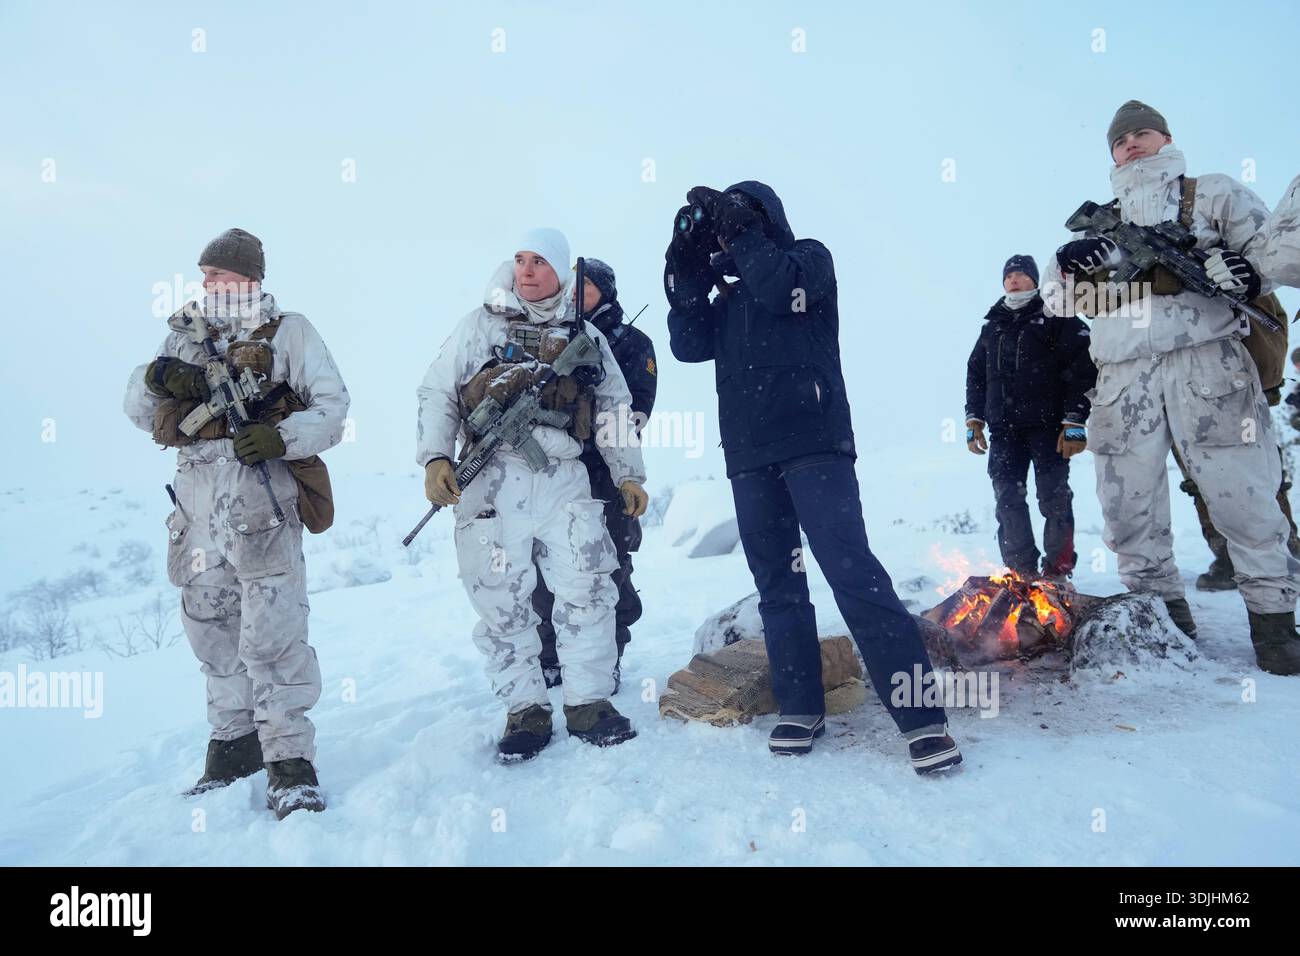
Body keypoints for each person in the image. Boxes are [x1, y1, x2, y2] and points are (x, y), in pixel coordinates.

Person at [665, 181, 960, 773]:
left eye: (740, 219)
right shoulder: (727, 300)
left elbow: (779, 288)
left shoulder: (810, 262)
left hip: (815, 444)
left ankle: (921, 716)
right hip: (749, 454)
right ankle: (800, 707)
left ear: (765, 218)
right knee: (778, 584)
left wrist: (742, 229)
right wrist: (683, 262)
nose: (730, 231)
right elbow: (687, 342)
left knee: (852, 571)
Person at [1041, 100, 1300, 674]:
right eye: (1120, 140)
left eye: (1142, 133)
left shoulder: (1212, 194)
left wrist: (1248, 272)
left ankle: (1275, 623)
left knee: (1245, 496)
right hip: (1121, 377)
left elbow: (1275, 256)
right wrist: (1066, 264)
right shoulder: (1103, 220)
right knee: (1128, 506)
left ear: (1167, 139)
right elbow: (1058, 305)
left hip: (1207, 361)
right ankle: (1162, 620)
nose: (1131, 144)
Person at [123, 228, 351, 818]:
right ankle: (232, 747)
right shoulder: (182, 334)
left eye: (221, 276)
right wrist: (157, 377)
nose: (210, 286)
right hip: (196, 501)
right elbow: (138, 409)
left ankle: (289, 763)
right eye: (205, 276)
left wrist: (282, 436)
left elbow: (333, 408)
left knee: (273, 636)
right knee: (211, 629)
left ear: (251, 280)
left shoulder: (290, 331)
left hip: (260, 495)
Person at [417, 229, 650, 761]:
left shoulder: (584, 331)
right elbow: (436, 393)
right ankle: (525, 711)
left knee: (588, 590)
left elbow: (614, 406)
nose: (525, 270)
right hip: (491, 483)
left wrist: (628, 474)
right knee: (501, 604)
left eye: (539, 261)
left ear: (562, 273)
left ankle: (590, 703)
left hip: (563, 479)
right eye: (520, 260)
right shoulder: (477, 327)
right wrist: (434, 458)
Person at [533, 258, 656, 692]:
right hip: (553, 474)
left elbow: (636, 410)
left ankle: (610, 655)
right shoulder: (553, 334)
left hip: (606, 476)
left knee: (611, 568)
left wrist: (595, 430)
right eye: (574, 289)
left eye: (587, 289)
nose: (576, 296)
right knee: (547, 568)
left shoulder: (633, 343)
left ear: (605, 292)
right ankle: (550, 656)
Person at [965, 254, 1097, 580]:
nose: (1014, 279)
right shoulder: (992, 326)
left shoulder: (1056, 314)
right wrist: (973, 422)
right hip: (1003, 431)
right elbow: (976, 375)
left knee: (1054, 498)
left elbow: (1084, 367)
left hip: (1049, 427)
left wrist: (1075, 421)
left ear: (1036, 280)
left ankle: (1058, 572)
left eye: (1022, 274)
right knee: (1008, 499)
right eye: (1009, 275)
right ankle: (1021, 572)